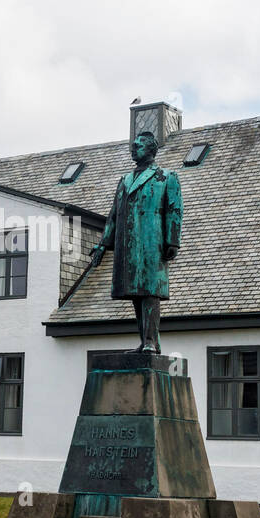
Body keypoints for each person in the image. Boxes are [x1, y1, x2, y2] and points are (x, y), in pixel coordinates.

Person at [90, 129, 182, 352]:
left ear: (151, 149)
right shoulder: (124, 180)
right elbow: (114, 214)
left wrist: (172, 241)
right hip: (128, 244)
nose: (133, 148)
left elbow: (174, 209)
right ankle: (147, 341)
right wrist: (103, 244)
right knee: (135, 292)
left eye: (138, 145)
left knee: (150, 290)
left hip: (152, 242)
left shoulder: (166, 177)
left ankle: (150, 342)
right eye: (133, 145)